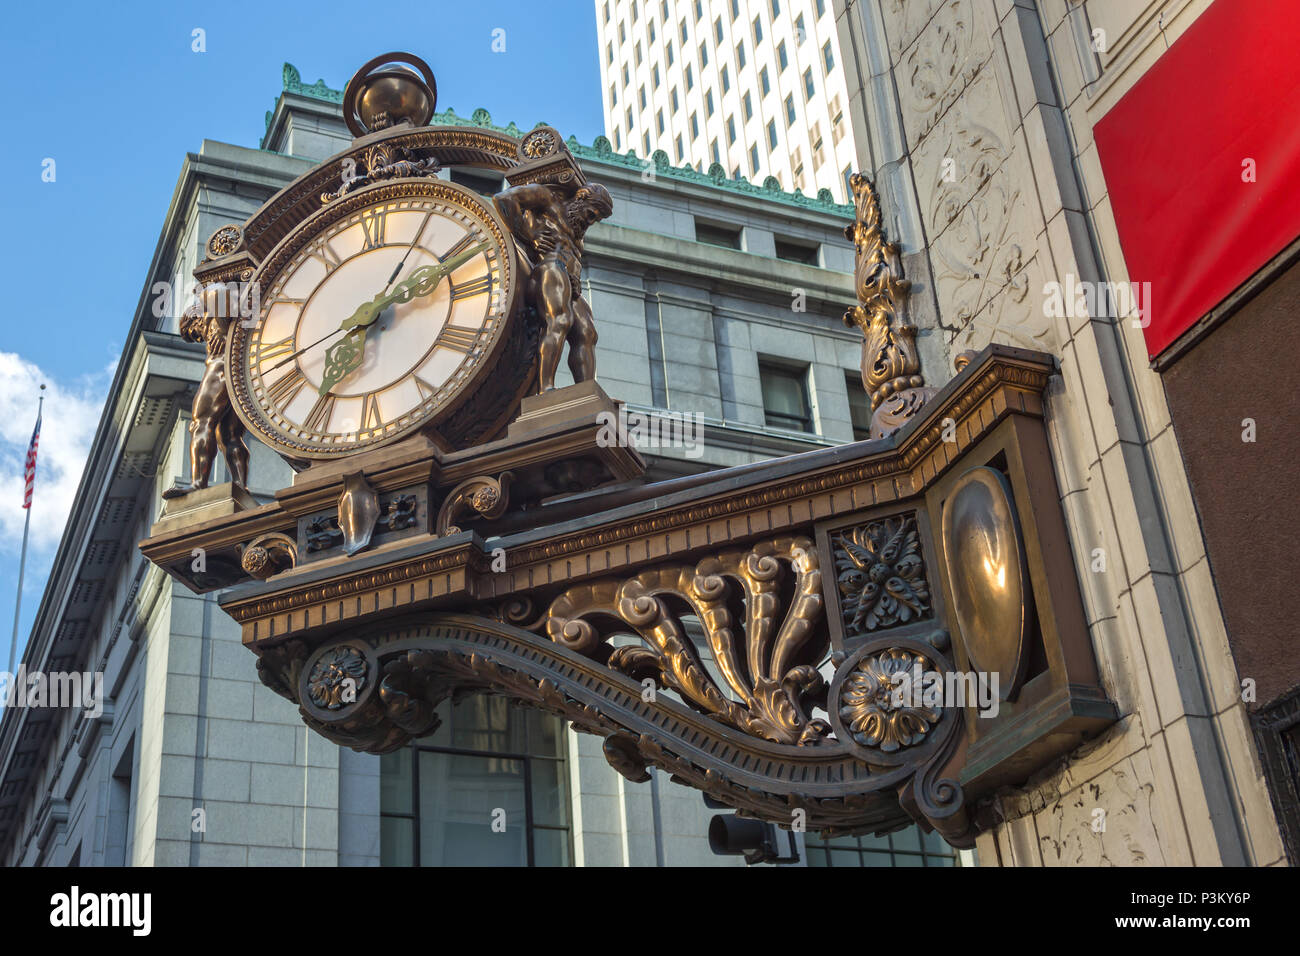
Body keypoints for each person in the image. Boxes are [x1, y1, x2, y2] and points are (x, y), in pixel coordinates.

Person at [493, 181, 613, 391]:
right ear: (580, 197)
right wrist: (529, 235)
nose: (590, 222)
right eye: (591, 214)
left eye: (596, 220)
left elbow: (574, 262)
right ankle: (545, 388)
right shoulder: (547, 199)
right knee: (560, 320)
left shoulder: (578, 236)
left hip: (567, 280)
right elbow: (503, 199)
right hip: (545, 270)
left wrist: (575, 278)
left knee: (587, 332)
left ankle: (585, 393)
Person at [162, 283, 250, 499]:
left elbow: (218, 290)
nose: (196, 334)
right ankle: (240, 487)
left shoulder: (217, 318)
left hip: (218, 371)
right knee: (228, 435)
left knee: (200, 422)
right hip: (237, 370)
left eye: (193, 329)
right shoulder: (230, 322)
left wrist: (201, 294)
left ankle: (198, 483)